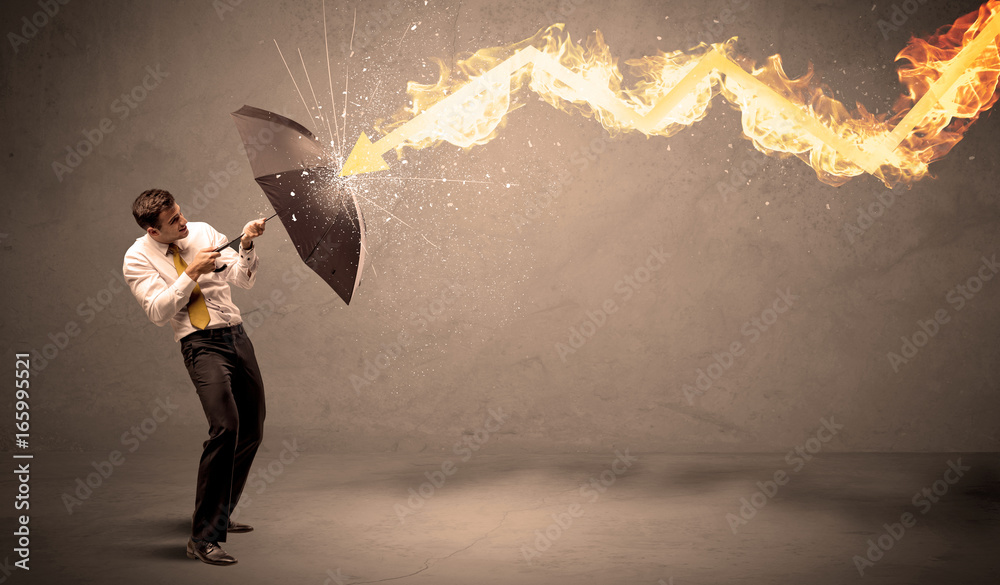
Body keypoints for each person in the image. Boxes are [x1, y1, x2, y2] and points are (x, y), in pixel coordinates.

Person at [122, 188, 267, 566]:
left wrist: (247, 244)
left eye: (180, 213)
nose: (183, 222)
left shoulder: (203, 232)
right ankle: (203, 538)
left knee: (252, 426)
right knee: (225, 427)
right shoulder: (136, 259)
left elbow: (244, 279)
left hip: (236, 335)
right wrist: (191, 273)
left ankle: (220, 512)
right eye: (173, 221)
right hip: (200, 344)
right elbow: (157, 311)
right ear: (154, 231)